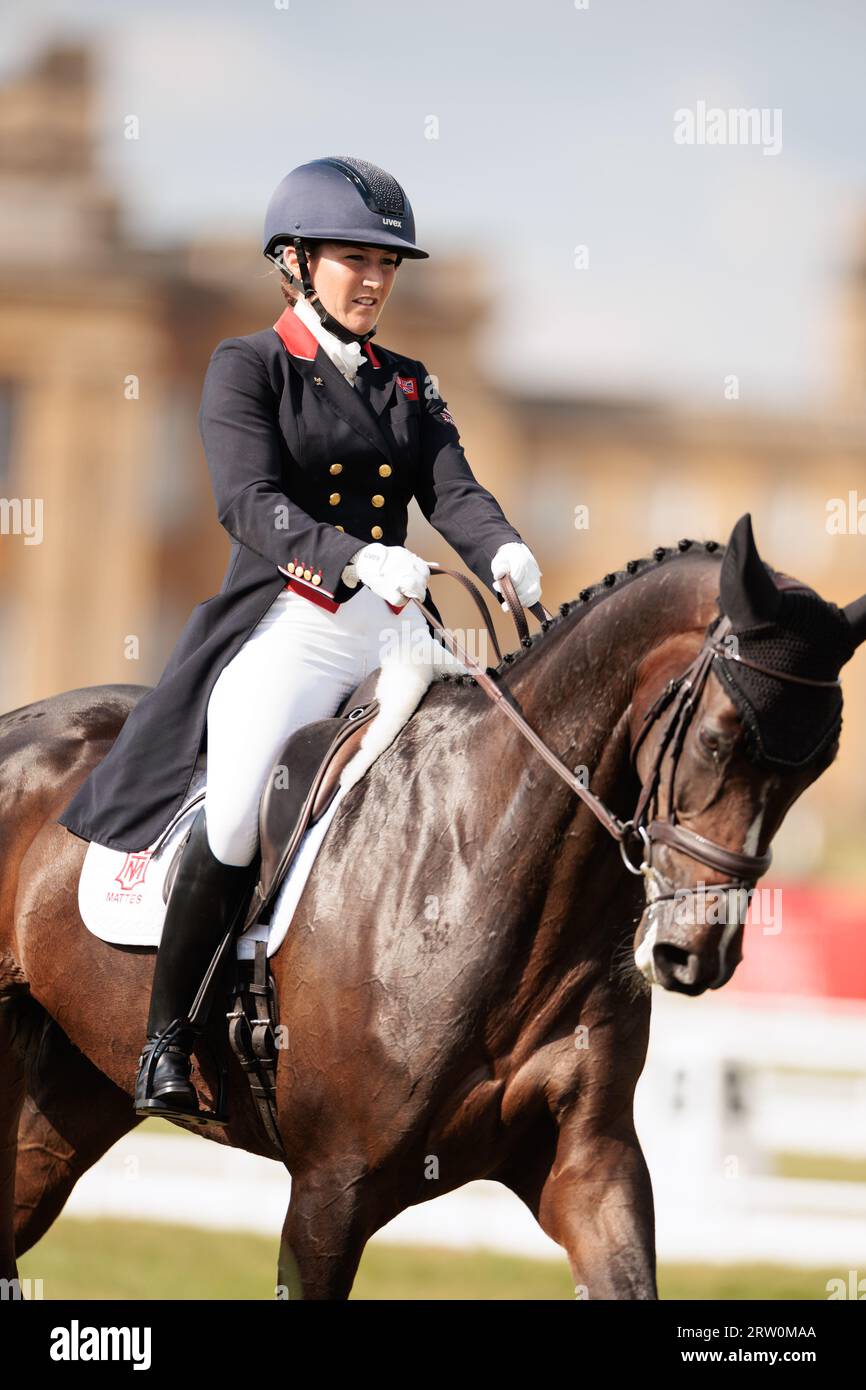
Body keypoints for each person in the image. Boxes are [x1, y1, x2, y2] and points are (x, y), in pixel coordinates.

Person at [57, 154, 542, 1121]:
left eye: (387, 264)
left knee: (493, 765)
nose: (373, 280)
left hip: (398, 631)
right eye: (353, 258)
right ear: (295, 261)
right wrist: (354, 555)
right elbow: (248, 502)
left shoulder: (409, 384)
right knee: (237, 810)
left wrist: (504, 547)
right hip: (295, 620)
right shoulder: (249, 365)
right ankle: (166, 1036)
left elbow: (452, 490)